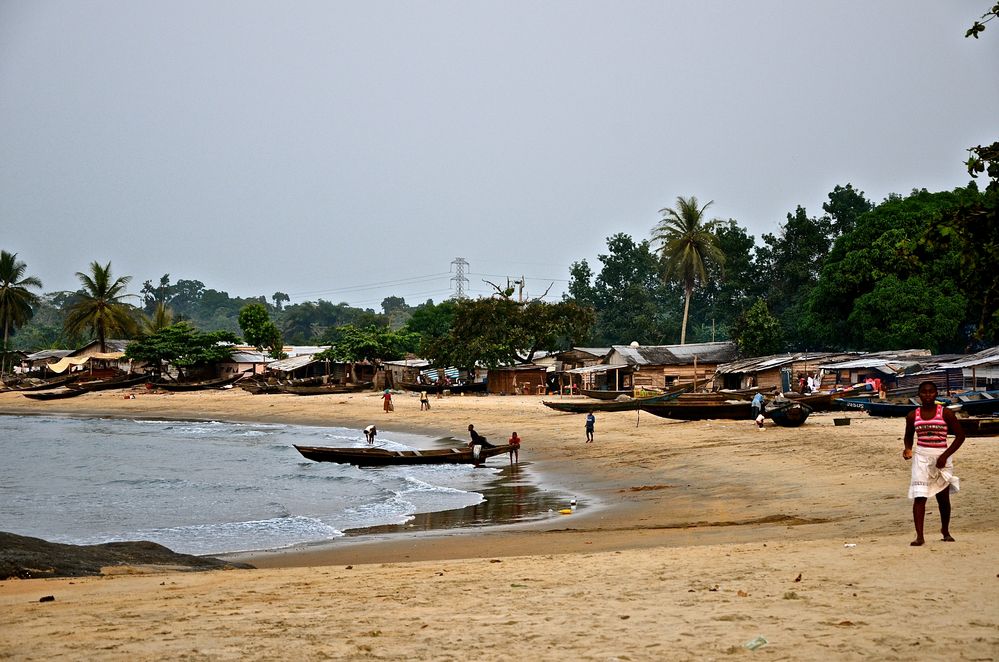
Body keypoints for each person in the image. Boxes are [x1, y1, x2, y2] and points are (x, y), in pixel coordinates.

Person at [903, 380, 965, 547]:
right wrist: (907, 449)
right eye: (924, 392)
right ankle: (919, 536)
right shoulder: (912, 415)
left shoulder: (946, 413)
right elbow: (908, 435)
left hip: (941, 457)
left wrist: (945, 456)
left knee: (942, 498)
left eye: (931, 392)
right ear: (919, 395)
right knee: (920, 496)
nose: (927, 395)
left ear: (936, 394)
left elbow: (960, 436)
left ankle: (945, 531)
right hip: (921, 458)